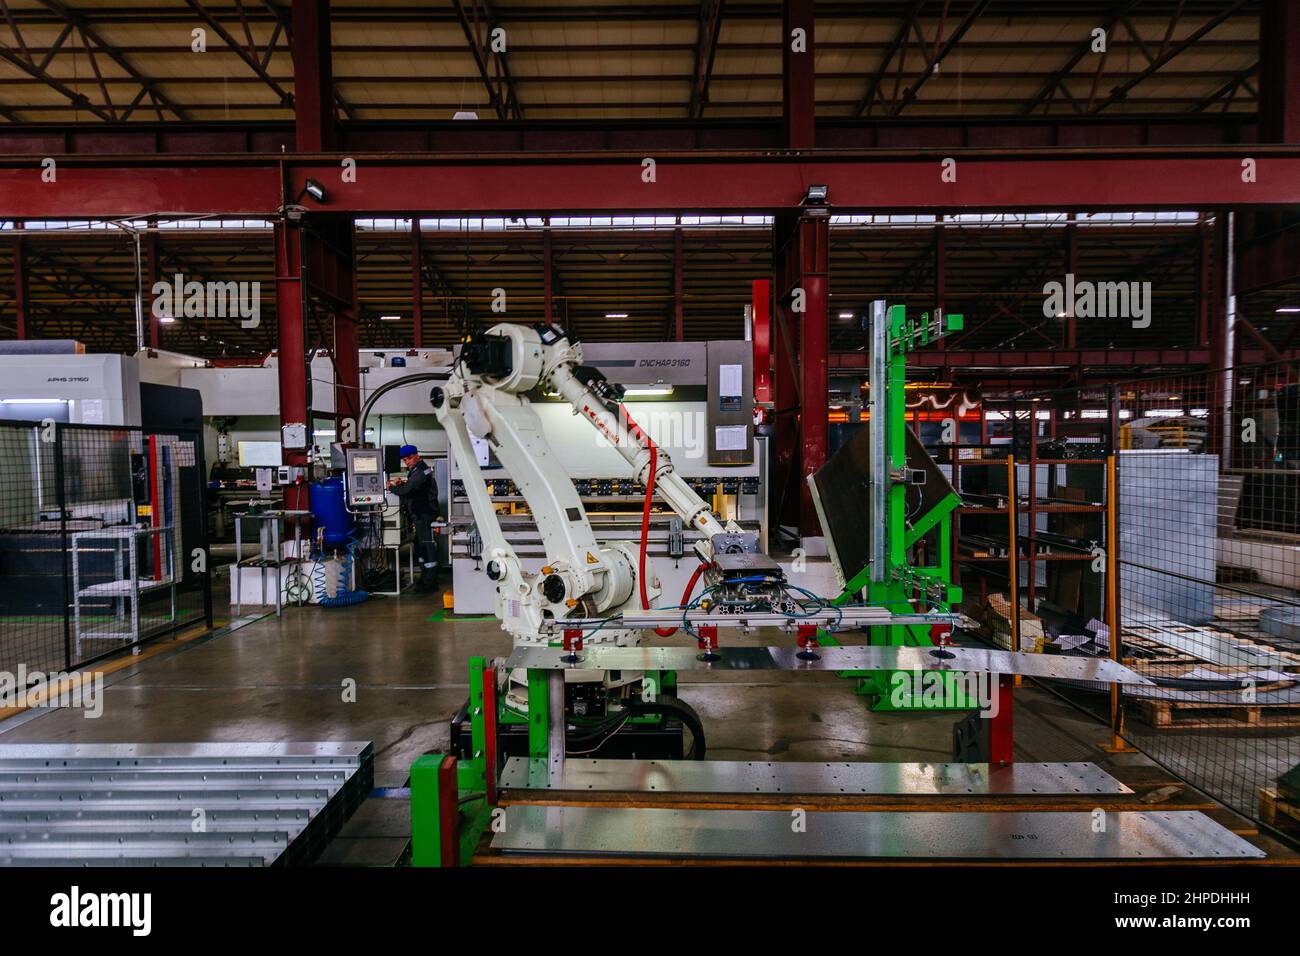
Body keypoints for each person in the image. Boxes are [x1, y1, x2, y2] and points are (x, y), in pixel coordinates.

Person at [388, 444, 441, 592]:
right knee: (421, 547)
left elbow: (407, 490)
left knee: (426, 547)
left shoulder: (420, 471)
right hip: (420, 515)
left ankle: (430, 582)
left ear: (416, 455)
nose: (407, 462)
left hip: (424, 515)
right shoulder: (417, 470)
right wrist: (402, 482)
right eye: (404, 460)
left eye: (409, 458)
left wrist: (391, 487)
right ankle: (425, 578)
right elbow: (412, 487)